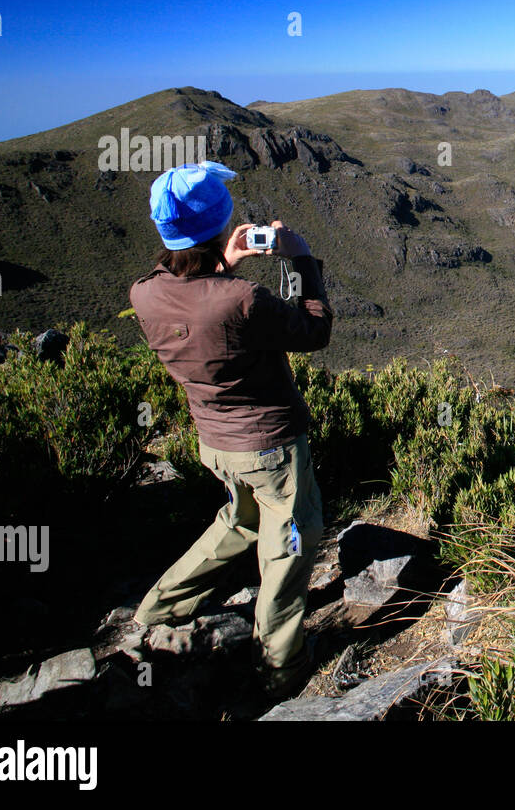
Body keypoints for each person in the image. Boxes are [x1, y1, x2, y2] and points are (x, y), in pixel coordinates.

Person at [127, 160, 333, 698]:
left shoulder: (144, 294)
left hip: (216, 444)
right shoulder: (241, 298)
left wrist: (224, 259)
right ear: (220, 222)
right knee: (290, 544)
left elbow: (196, 306)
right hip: (269, 448)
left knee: (240, 520)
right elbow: (314, 330)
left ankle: (159, 607)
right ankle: (281, 667)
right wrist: (303, 258)